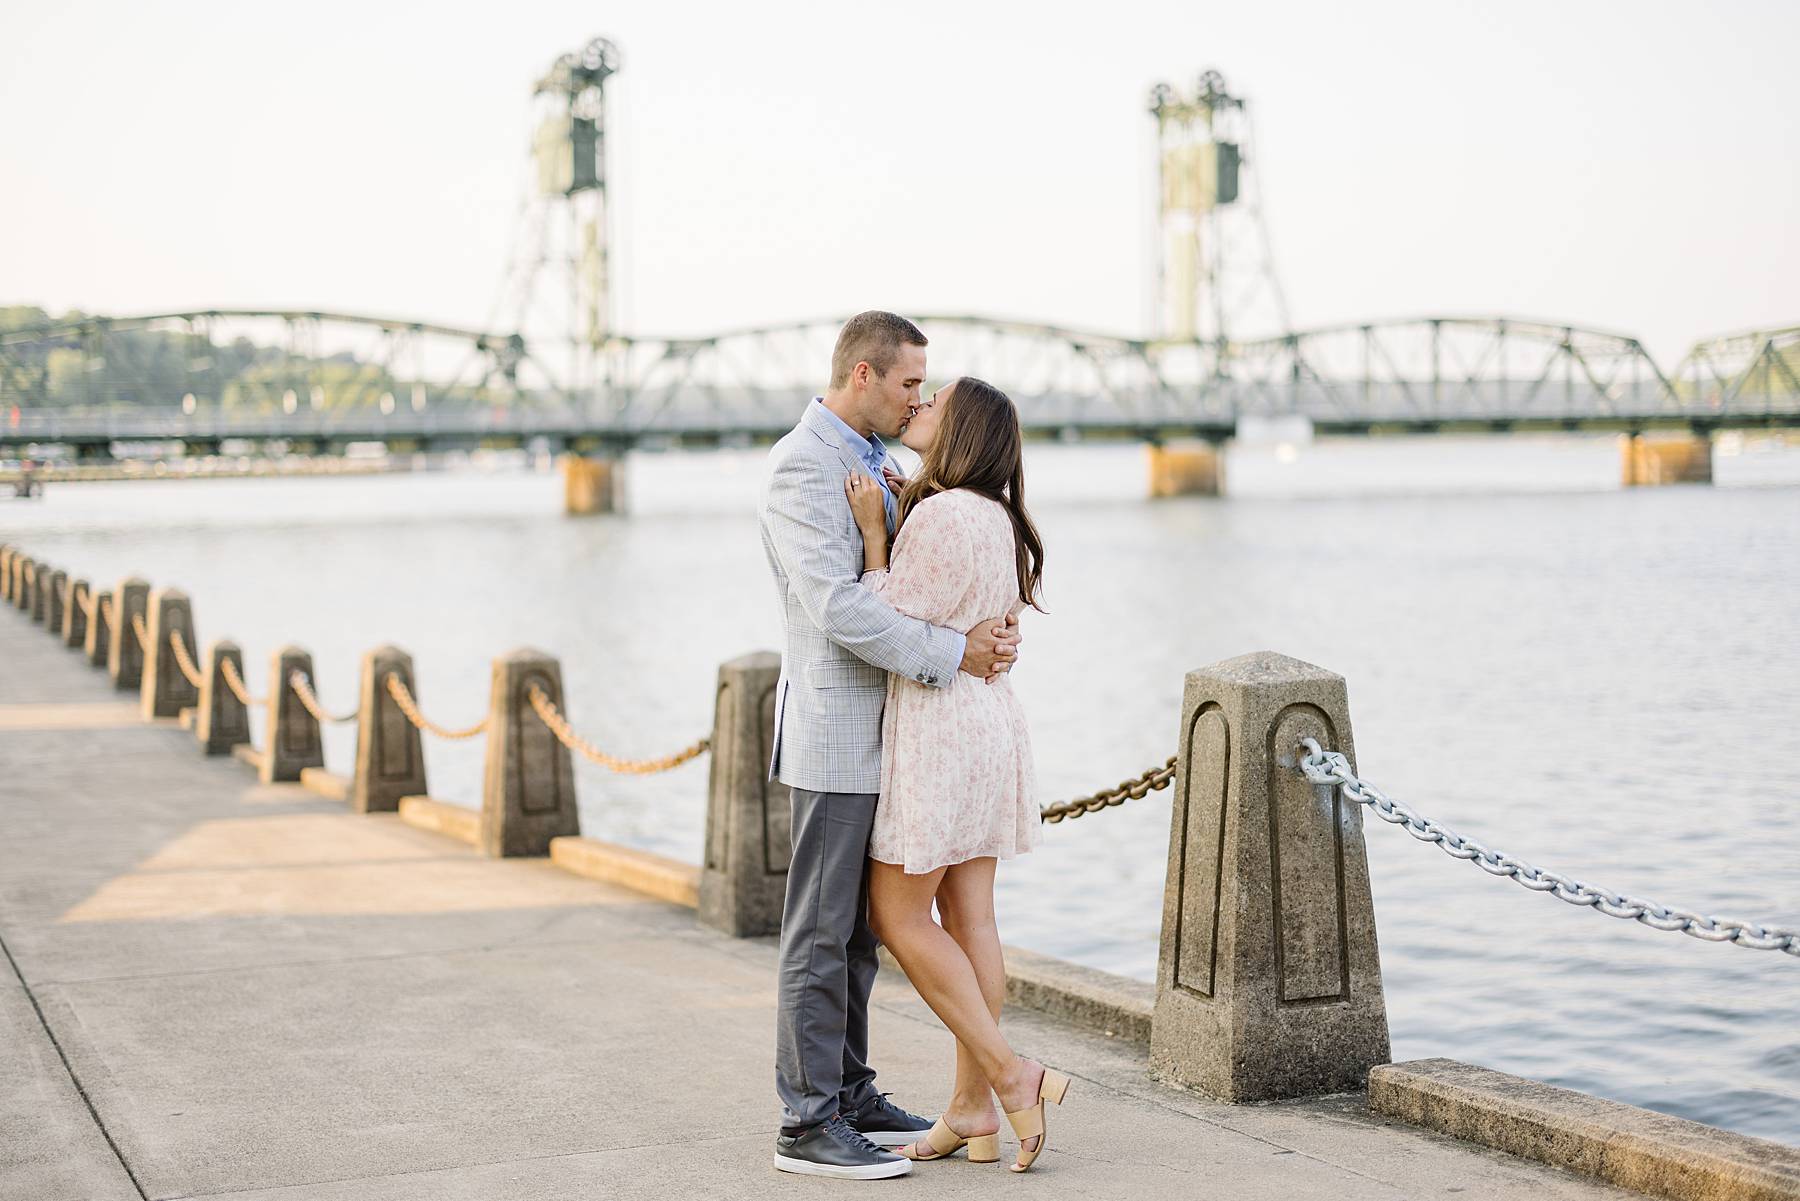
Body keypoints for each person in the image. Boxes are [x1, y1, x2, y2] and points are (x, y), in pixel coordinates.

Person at [759, 311, 1023, 1180]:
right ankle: (807, 1122)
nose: (919, 398)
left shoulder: (885, 463)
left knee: (861, 935)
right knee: (819, 931)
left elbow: (931, 579)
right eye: (911, 382)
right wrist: (957, 651)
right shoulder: (804, 464)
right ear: (863, 375)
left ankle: (850, 1092)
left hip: (904, 735)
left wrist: (988, 632)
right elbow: (839, 606)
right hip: (840, 735)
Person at [844, 376, 1070, 1174]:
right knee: (971, 917)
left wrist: (876, 536)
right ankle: (973, 1108)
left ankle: (1009, 1073)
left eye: (933, 401)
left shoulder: (940, 516)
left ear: (961, 428)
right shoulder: (996, 515)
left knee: (898, 913)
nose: (918, 405)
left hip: (940, 728)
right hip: (989, 722)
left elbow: (887, 619)